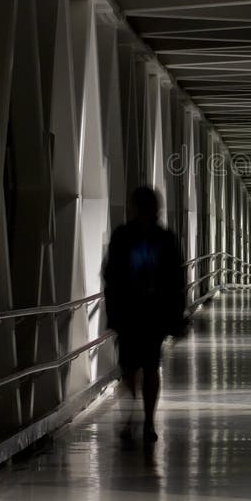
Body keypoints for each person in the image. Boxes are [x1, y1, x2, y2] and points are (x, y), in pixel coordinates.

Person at [103, 186, 184, 443]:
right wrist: (176, 317)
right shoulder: (163, 238)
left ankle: (140, 419)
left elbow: (111, 276)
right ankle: (141, 420)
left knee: (138, 368)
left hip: (143, 315)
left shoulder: (125, 236)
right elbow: (177, 279)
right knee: (142, 369)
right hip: (143, 314)